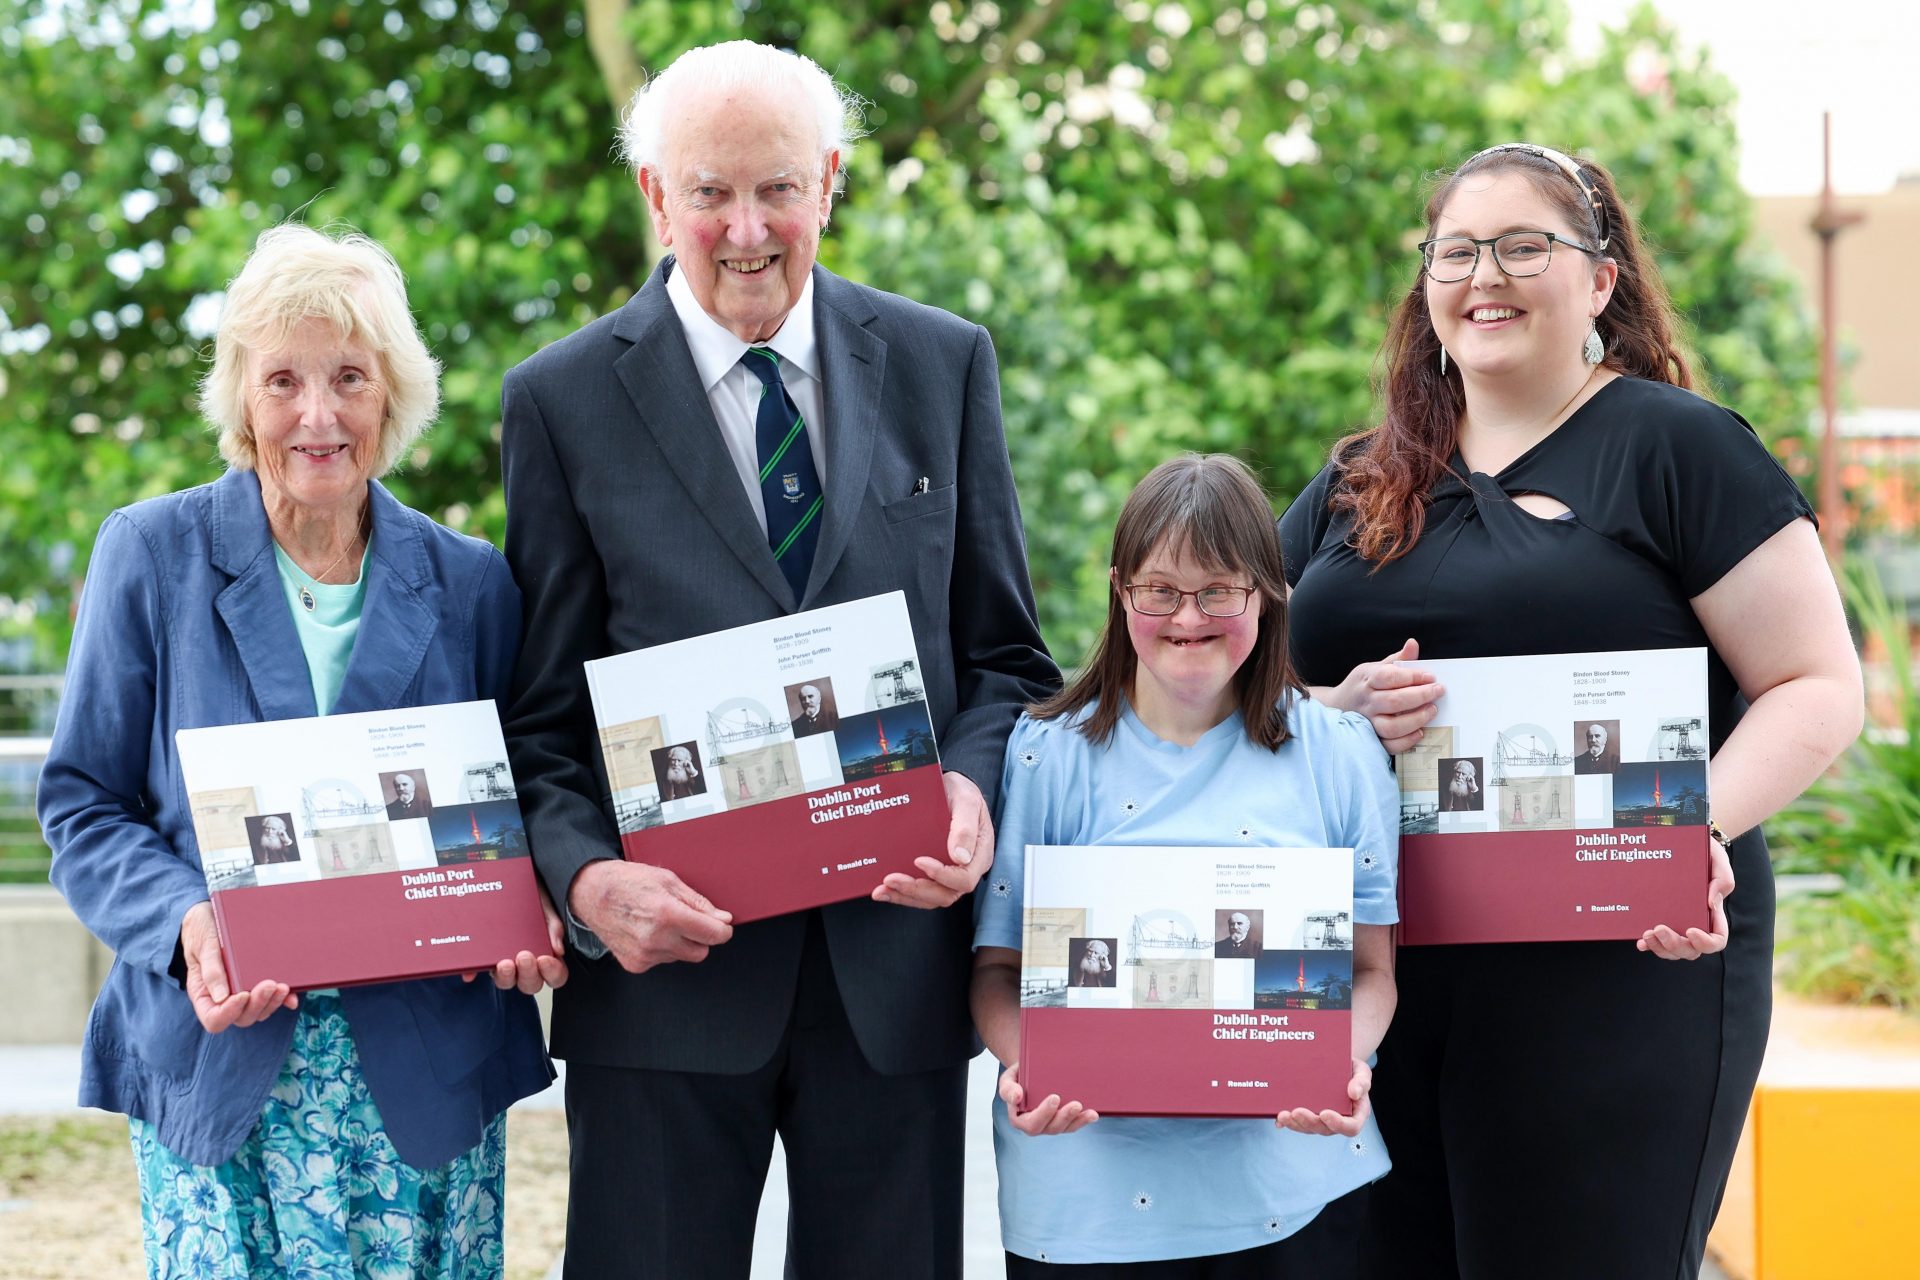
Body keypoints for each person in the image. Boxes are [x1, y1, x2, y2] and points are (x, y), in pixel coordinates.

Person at [497, 40, 1057, 1280]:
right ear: (655, 197)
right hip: (664, 984)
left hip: (891, 974)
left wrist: (970, 788)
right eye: (708, 193)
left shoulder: (940, 362)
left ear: (832, 182)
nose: (744, 229)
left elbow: (1007, 658)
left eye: (777, 189)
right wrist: (590, 887)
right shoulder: (561, 399)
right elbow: (535, 718)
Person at [1277, 143, 1863, 1279]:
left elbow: (1817, 685)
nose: (1483, 273)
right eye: (1455, 250)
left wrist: (1695, 827)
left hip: (1619, 961)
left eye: (1522, 246)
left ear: (1600, 279)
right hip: (1379, 969)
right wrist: (1332, 708)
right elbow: (1246, 689)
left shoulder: (1681, 448)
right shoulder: (1359, 476)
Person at [37, 224, 566, 1278]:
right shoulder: (150, 554)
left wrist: (532, 901)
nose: (317, 414)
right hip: (222, 1060)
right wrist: (189, 923)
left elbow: (523, 790)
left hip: (422, 1071)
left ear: (394, 396)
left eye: (350, 378)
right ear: (241, 396)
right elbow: (83, 802)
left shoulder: (471, 583)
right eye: (283, 378)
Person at [972, 455, 1399, 1275]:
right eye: (1159, 590)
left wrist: (1336, 1062)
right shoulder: (1042, 756)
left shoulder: (1342, 754)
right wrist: (1030, 1064)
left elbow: (1372, 970)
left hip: (1293, 1199)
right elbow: (997, 970)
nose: (1188, 617)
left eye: (1218, 591)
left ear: (1267, 592)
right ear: (1118, 591)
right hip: (1083, 1209)